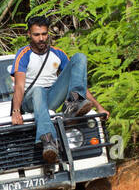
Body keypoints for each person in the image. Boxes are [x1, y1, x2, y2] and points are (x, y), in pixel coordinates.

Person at [8, 16, 108, 164]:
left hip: (52, 96)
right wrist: (16, 111)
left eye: (44, 34)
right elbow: (19, 86)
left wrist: (98, 106)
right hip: (31, 99)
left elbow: (77, 79)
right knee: (38, 90)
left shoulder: (57, 53)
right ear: (29, 34)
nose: (41, 38)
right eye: (36, 35)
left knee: (79, 58)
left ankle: (74, 101)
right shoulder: (23, 55)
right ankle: (48, 140)